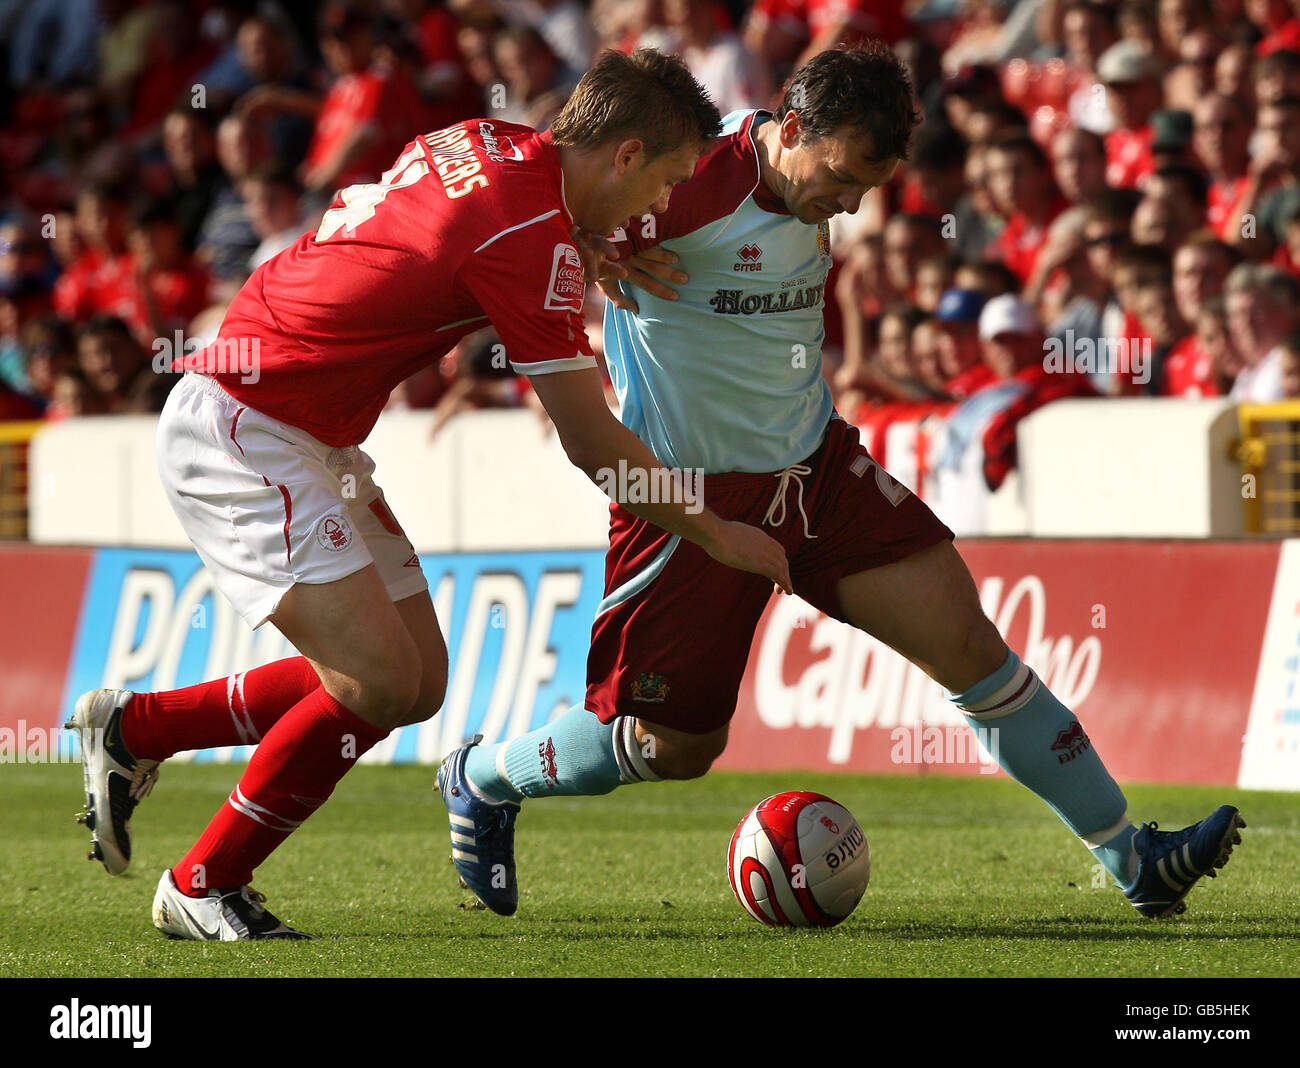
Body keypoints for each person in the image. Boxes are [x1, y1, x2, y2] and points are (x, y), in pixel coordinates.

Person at [437, 43, 1246, 921]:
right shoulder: (686, 179)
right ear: (790, 130)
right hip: (686, 499)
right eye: (843, 177)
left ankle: (1134, 859)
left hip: (819, 471)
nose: (852, 202)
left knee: (972, 649)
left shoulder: (807, 185)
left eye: (870, 184)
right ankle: (481, 777)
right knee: (674, 747)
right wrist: (592, 248)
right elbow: (526, 212)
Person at [65, 49, 792, 942]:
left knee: (416, 681)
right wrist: (714, 531)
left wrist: (583, 252)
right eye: (663, 183)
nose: (655, 212)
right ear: (627, 154)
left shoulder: (491, 141)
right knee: (376, 679)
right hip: (247, 428)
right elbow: (591, 441)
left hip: (298, 415)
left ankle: (138, 729)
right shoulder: (532, 242)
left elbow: (446, 238)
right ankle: (202, 883)